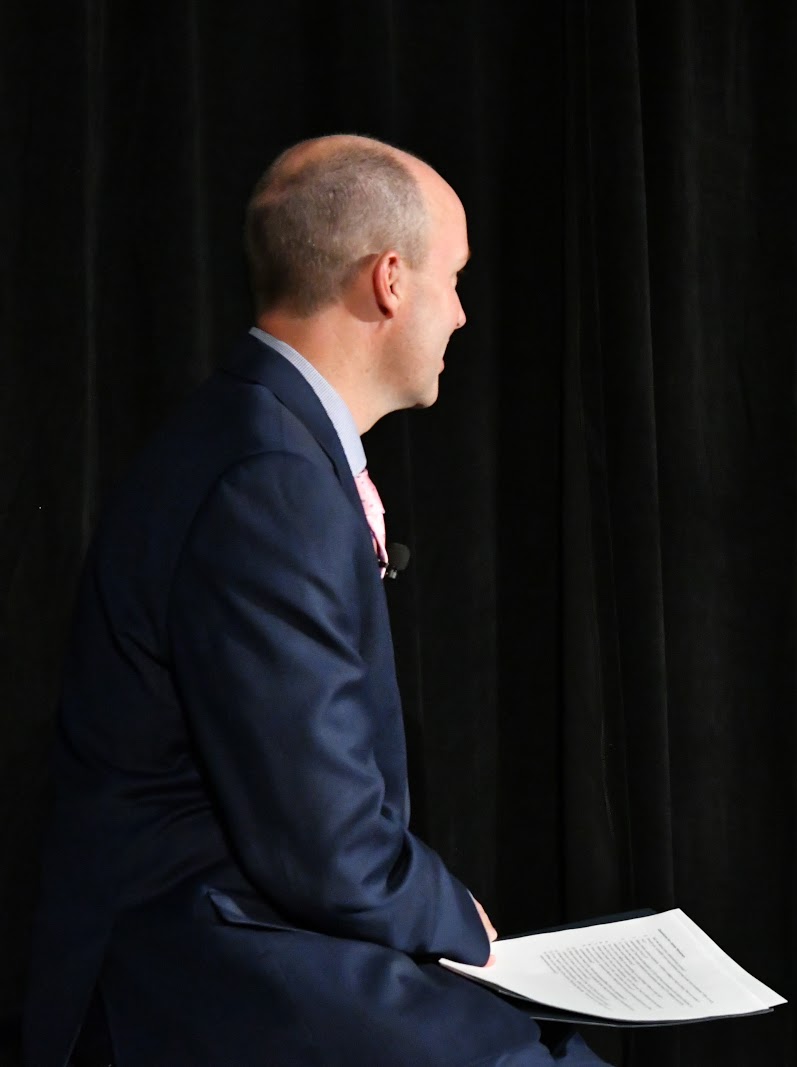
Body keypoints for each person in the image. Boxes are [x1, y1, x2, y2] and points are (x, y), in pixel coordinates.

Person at [24, 135, 608, 1067]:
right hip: (191, 955)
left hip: (245, 923)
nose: (461, 314)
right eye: (453, 279)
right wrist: (458, 918)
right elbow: (323, 840)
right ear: (388, 280)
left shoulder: (258, 436)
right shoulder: (269, 476)